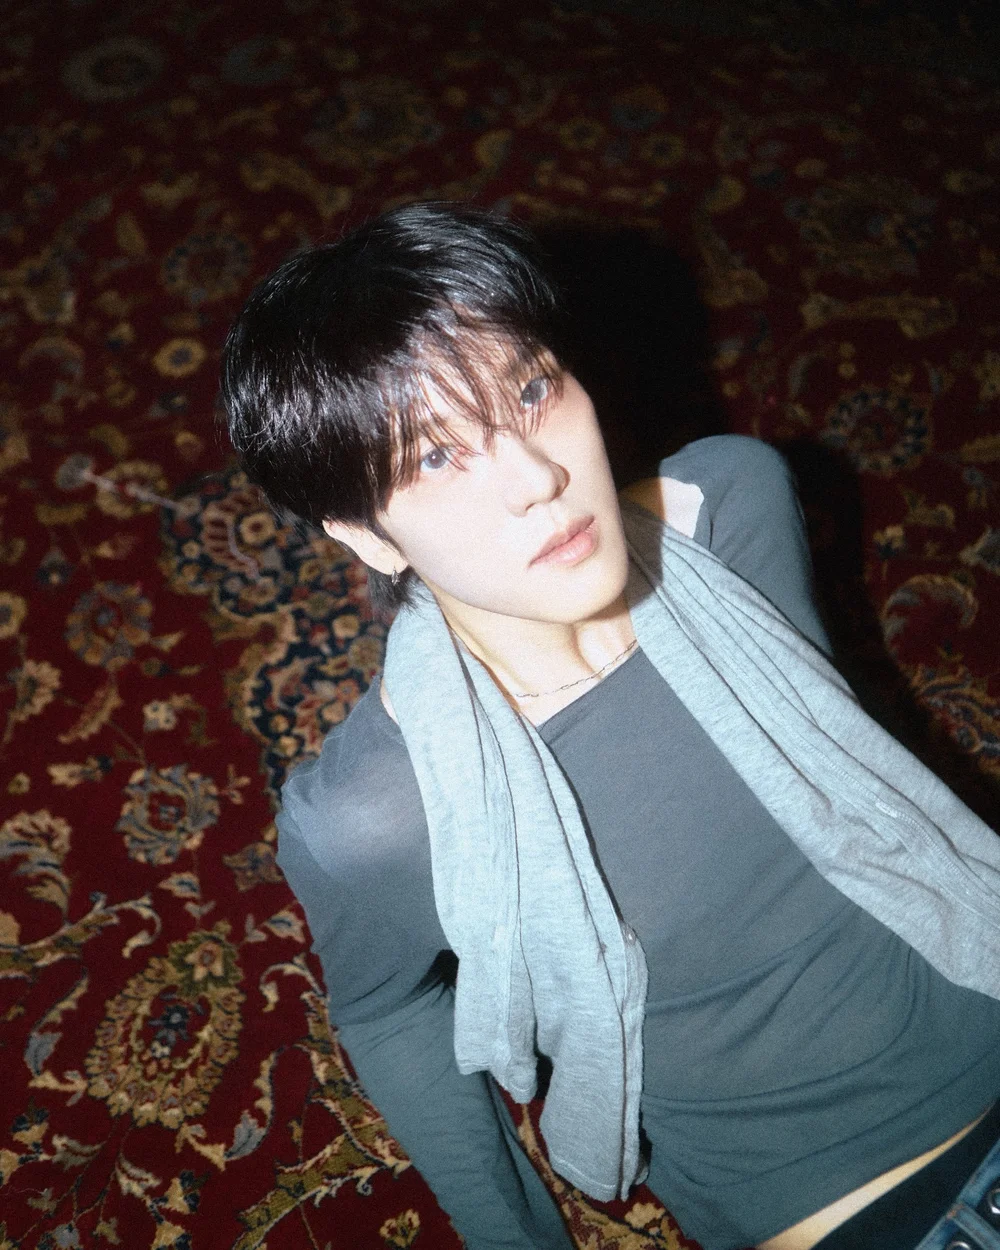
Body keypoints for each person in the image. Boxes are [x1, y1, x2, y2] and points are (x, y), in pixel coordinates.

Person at [221, 203, 1000, 1250]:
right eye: (435, 458)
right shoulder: (375, 815)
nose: (537, 478)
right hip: (870, 1200)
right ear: (365, 536)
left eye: (531, 391)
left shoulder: (734, 509)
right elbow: (386, 1010)